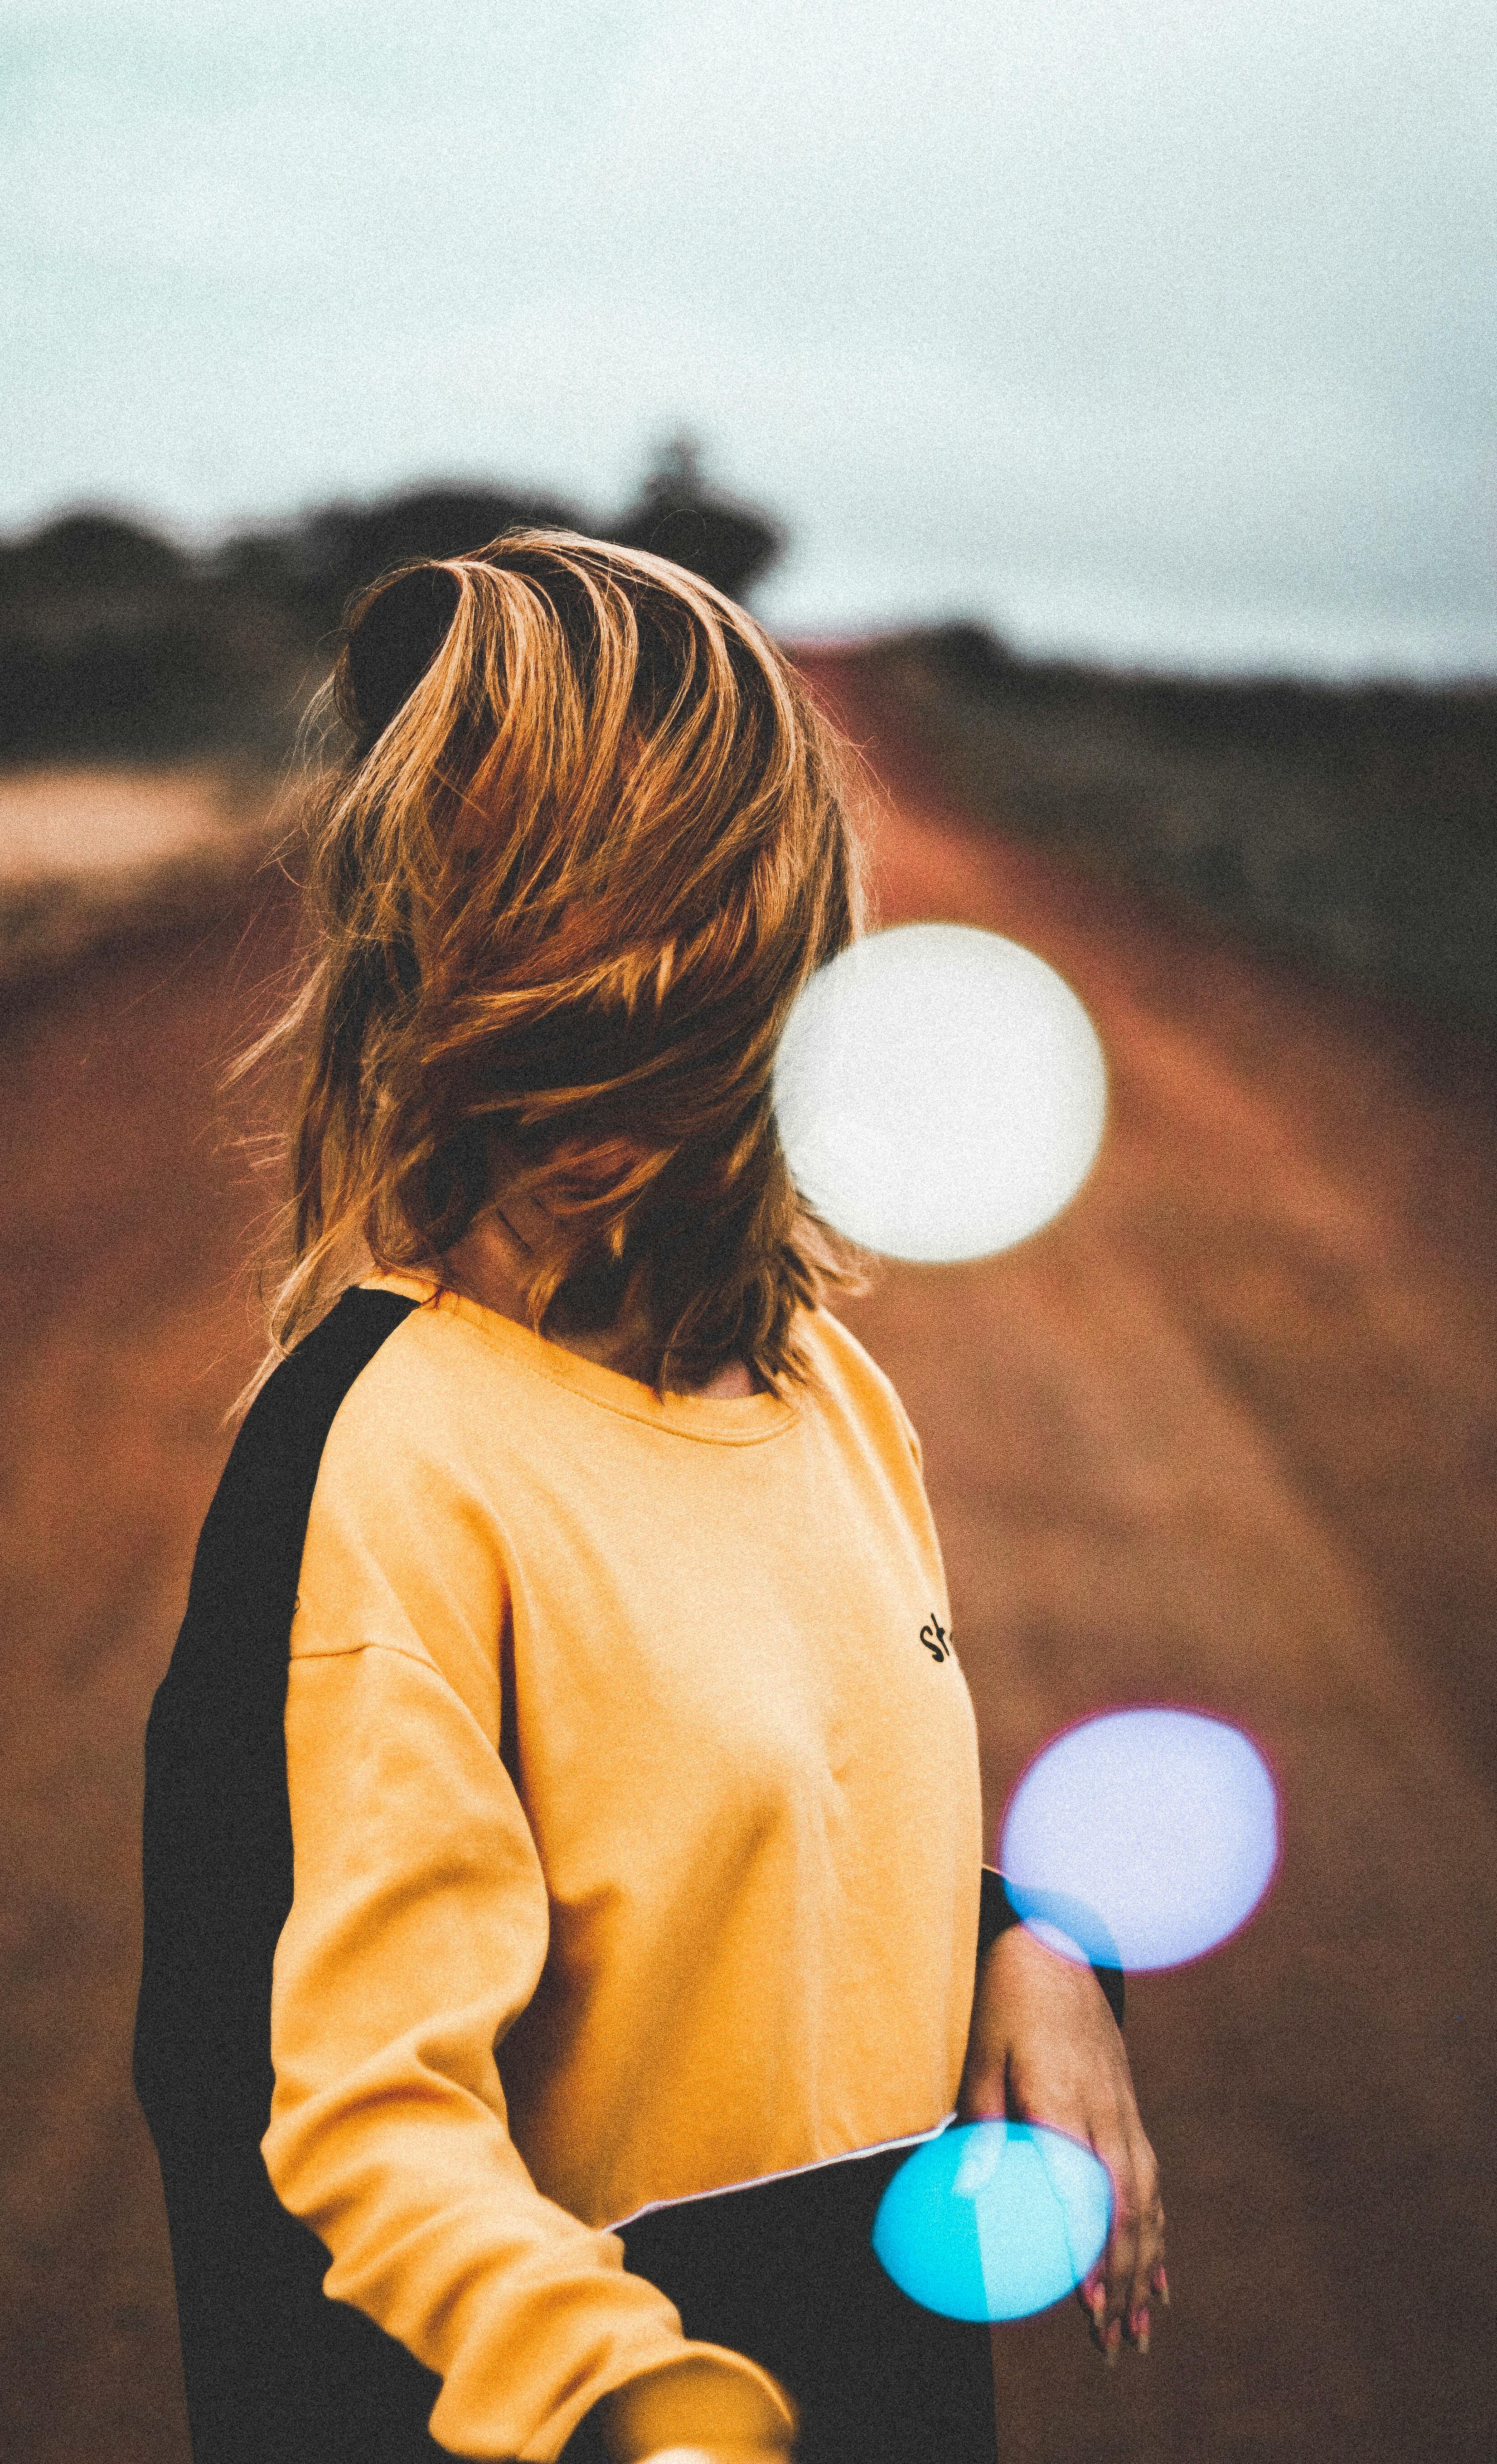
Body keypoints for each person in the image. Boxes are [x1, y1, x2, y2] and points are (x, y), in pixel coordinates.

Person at [132, 533, 1166, 2464]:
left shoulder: (827, 1396)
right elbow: (343, 2112)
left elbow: (760, 1868)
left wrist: (1030, 1939)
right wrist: (611, 2387)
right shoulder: (386, 1456)